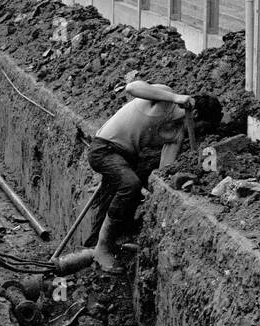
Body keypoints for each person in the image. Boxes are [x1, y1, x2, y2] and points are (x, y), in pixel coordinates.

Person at [86, 74, 221, 273]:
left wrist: (158, 194)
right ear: (196, 115)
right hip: (104, 149)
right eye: (203, 128)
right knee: (130, 185)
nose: (200, 133)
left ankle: (107, 243)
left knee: (128, 190)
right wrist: (176, 98)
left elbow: (164, 171)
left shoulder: (176, 134)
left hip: (126, 158)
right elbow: (132, 87)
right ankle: (102, 249)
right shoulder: (165, 97)